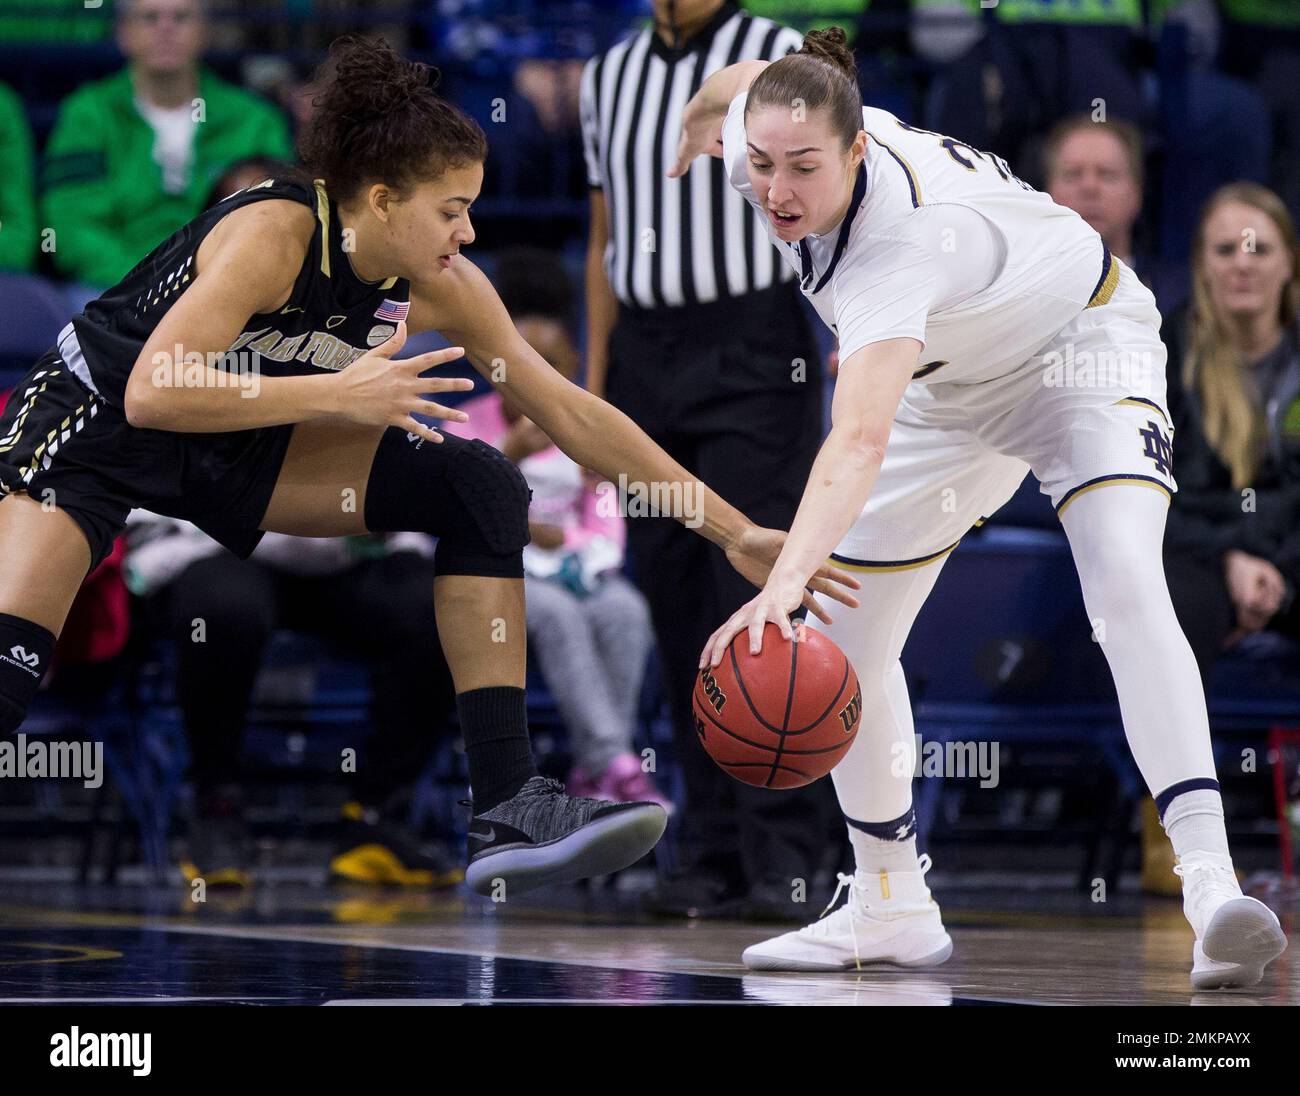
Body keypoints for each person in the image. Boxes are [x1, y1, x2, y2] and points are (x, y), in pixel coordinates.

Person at [0, 35, 857, 899]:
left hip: (236, 436)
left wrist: (737, 530)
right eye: (452, 209)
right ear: (381, 200)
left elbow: (571, 412)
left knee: (480, 485)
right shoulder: (273, 228)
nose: (469, 230)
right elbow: (154, 390)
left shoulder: (439, 281)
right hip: (91, 426)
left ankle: (507, 801)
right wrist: (336, 396)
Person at [669, 27, 1287, 987]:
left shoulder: (896, 245)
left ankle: (1211, 886)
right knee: (853, 636)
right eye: (759, 165)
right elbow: (744, 85)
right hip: (948, 390)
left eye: (802, 168)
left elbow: (856, 442)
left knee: (1127, 578)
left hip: (1081, 352)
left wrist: (780, 584)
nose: (778, 190)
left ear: (858, 148)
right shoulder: (793, 116)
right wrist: (700, 118)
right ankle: (889, 903)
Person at [582, 0, 835, 920]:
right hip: (646, 355)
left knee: (758, 597)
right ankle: (714, 848)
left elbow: (835, 197)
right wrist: (596, 394)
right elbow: (604, 239)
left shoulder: (777, 49)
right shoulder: (604, 75)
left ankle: (792, 854)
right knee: (676, 599)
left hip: (754, 346)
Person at [126, 515, 464, 889]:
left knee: (445, 611)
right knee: (220, 612)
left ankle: (375, 817)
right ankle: (216, 808)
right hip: (221, 544)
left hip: (348, 556)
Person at [453, 249, 667, 809]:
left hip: (578, 568)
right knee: (561, 617)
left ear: (570, 366)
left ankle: (600, 772)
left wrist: (572, 549)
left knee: (626, 612)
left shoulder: (584, 432)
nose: (534, 382)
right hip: (504, 579)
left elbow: (605, 517)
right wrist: (508, 454)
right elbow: (451, 508)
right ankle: (616, 764)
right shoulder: (472, 423)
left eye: (550, 366)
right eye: (521, 366)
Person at [41, 0, 293, 292]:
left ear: (205, 31)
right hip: (110, 289)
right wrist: (145, 284)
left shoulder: (255, 119)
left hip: (224, 289)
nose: (166, 29)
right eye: (150, 18)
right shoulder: (86, 114)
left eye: (181, 17)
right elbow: (72, 222)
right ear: (123, 32)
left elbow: (275, 221)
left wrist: (203, 285)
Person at [1163, 183, 1300, 685]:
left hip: (1289, 555)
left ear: (1290, 263)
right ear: (1202, 264)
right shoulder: (1162, 356)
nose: (1243, 264)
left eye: (1259, 248)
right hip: (1198, 558)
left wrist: (1276, 573)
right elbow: (1155, 497)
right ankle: (1176, 765)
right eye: (1225, 250)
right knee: (1173, 601)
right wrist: (1229, 559)